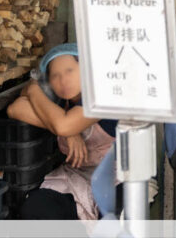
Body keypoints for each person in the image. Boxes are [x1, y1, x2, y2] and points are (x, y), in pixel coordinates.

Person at [7, 43, 117, 222]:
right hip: (78, 177)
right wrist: (70, 133)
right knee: (37, 207)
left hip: (117, 176)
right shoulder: (60, 104)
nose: (63, 80)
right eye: (55, 76)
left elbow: (63, 125)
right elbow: (15, 108)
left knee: (118, 216)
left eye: (69, 71)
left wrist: (33, 90)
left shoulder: (101, 97)